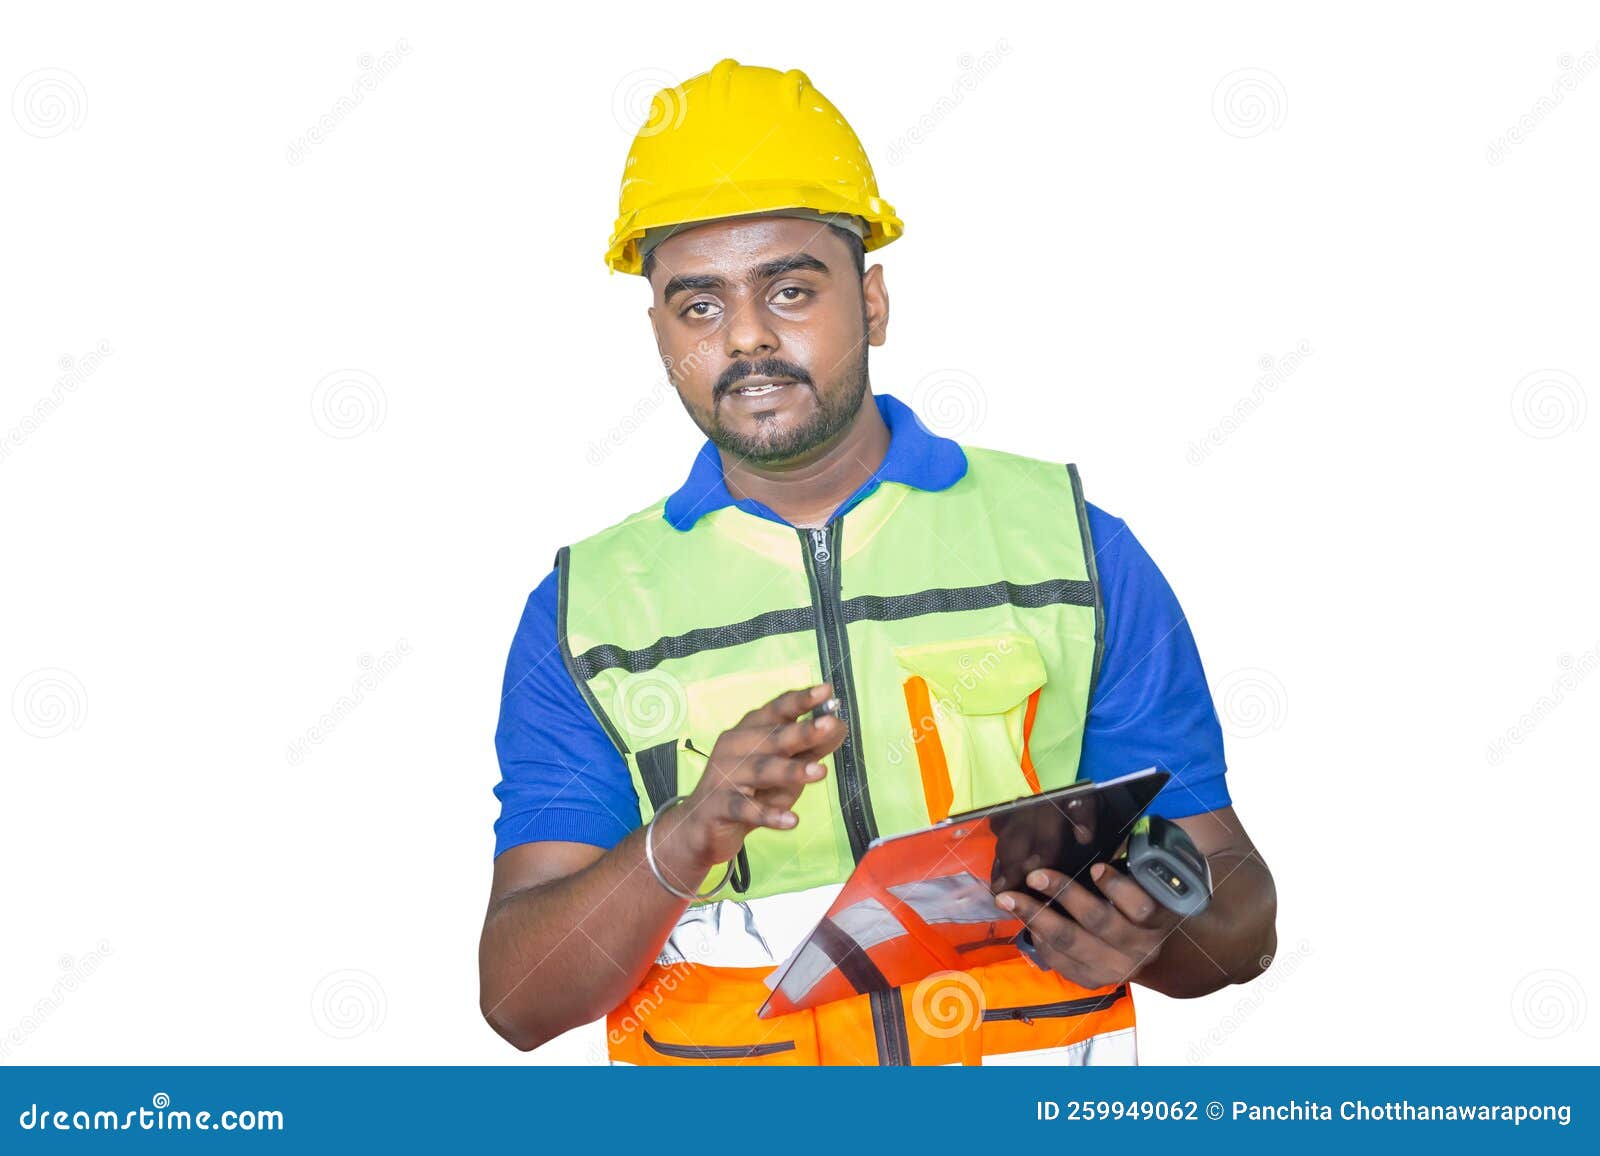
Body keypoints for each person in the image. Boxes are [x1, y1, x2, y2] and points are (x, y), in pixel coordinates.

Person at [479, 58, 1276, 1065]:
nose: (751, 336)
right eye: (700, 307)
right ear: (659, 334)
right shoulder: (587, 614)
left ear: (873, 301)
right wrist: (682, 837)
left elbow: (1238, 912)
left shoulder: (1070, 548)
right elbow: (517, 1000)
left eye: (791, 288)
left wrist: (1159, 934)